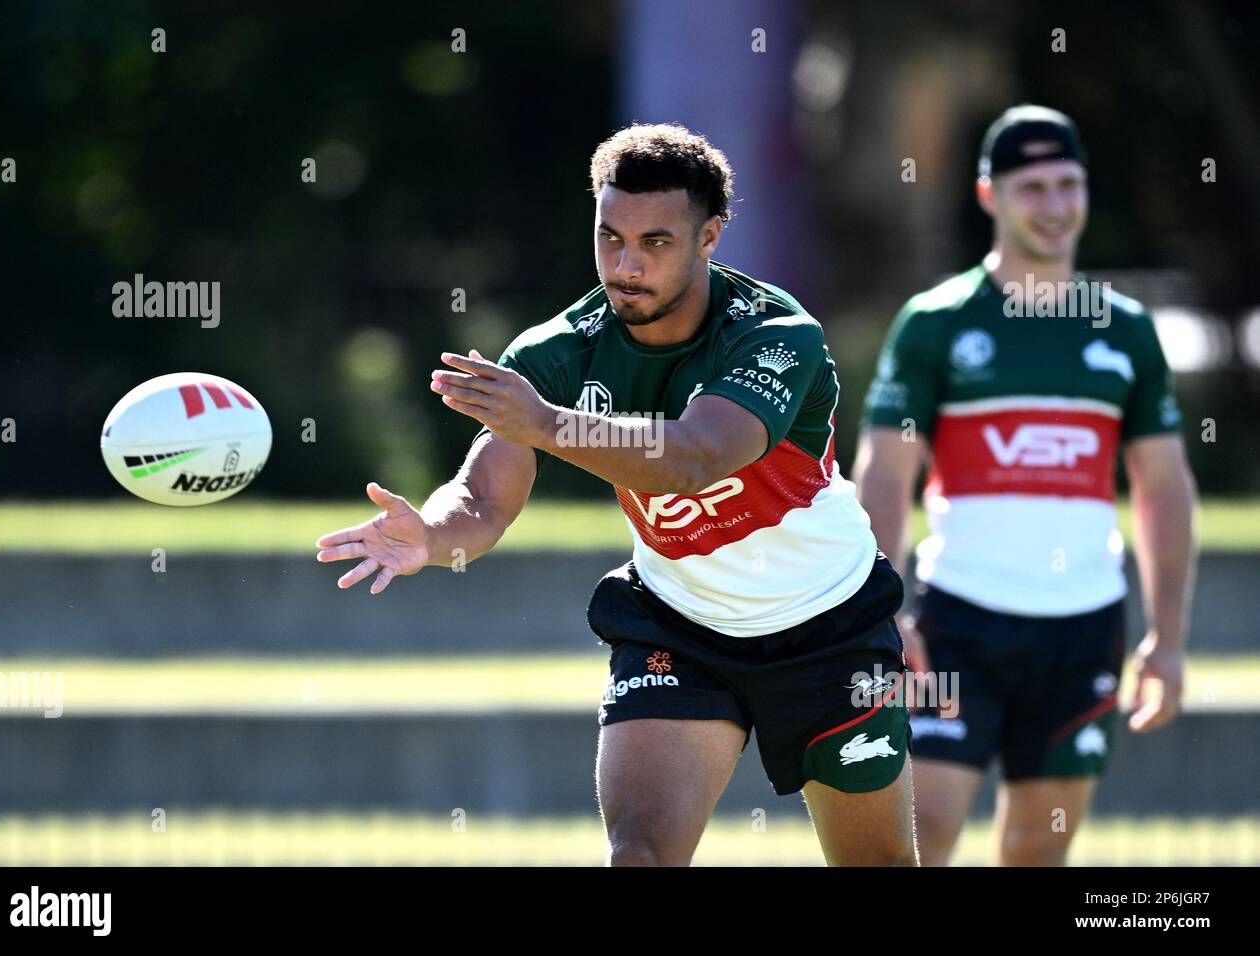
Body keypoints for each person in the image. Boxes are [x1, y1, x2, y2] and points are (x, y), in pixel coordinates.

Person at [317, 123, 917, 866]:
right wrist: (432, 535)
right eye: (610, 238)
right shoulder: (555, 354)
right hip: (679, 628)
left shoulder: (774, 334)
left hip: (830, 626)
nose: (626, 266)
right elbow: (483, 499)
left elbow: (697, 458)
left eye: (656, 243)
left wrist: (546, 421)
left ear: (710, 237)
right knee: (639, 857)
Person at [853, 104, 1197, 866]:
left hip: (1083, 627)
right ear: (990, 197)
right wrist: (881, 610)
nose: (1054, 205)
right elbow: (884, 472)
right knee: (918, 836)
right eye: (1032, 186)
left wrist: (1166, 640)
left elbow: (1164, 487)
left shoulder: (1127, 330)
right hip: (956, 626)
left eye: (1068, 184)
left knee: (1034, 855)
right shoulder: (935, 323)